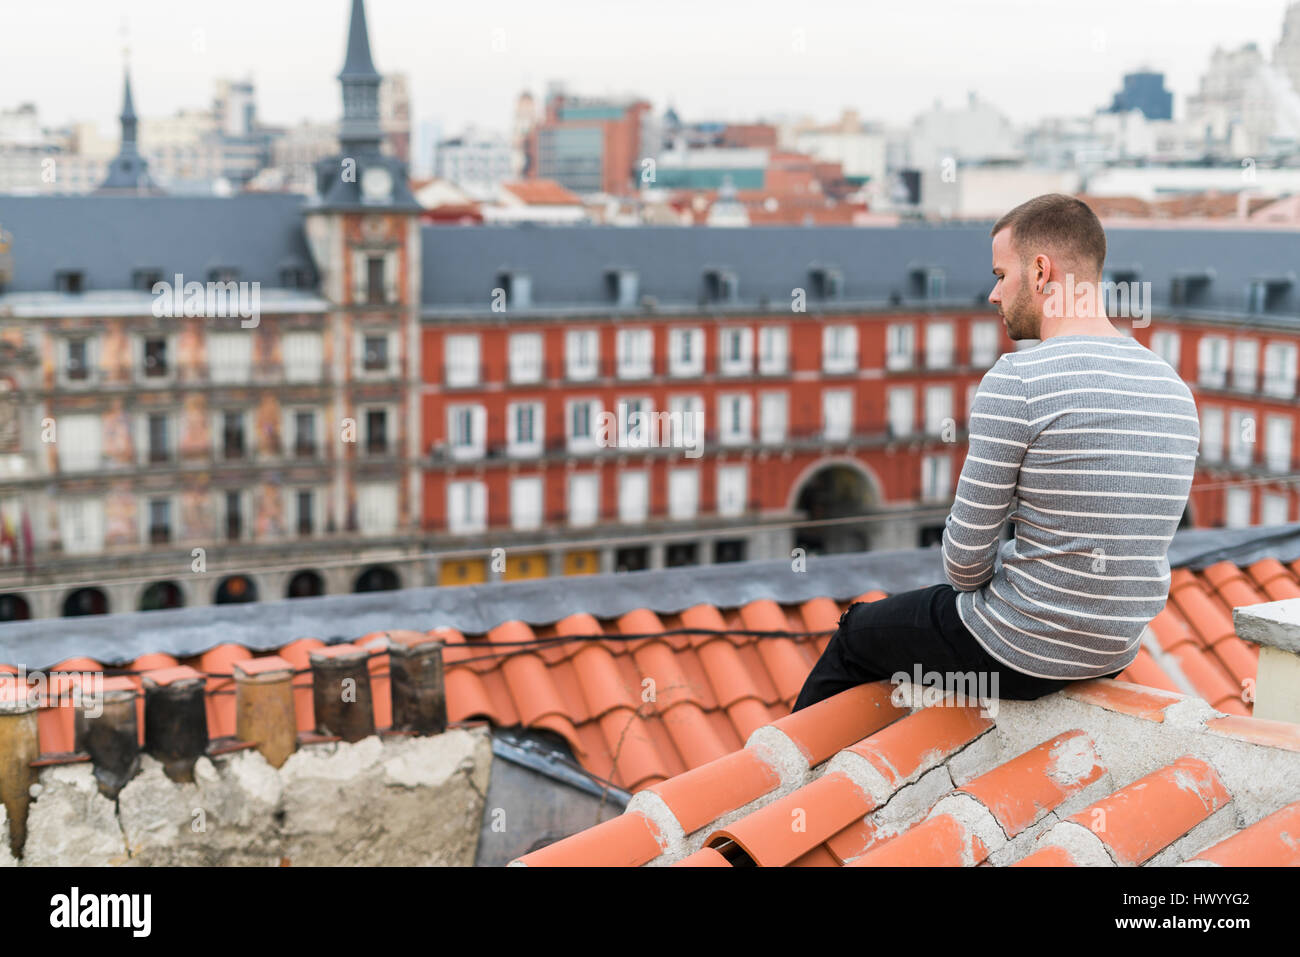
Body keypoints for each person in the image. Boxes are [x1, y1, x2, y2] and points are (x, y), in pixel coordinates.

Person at [793, 193, 1199, 711]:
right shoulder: (1172, 387)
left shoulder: (1020, 379)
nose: (992, 294)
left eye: (1000, 275)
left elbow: (963, 565)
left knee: (856, 632)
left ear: (1039, 271)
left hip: (1019, 649)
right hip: (1113, 650)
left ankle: (784, 783)